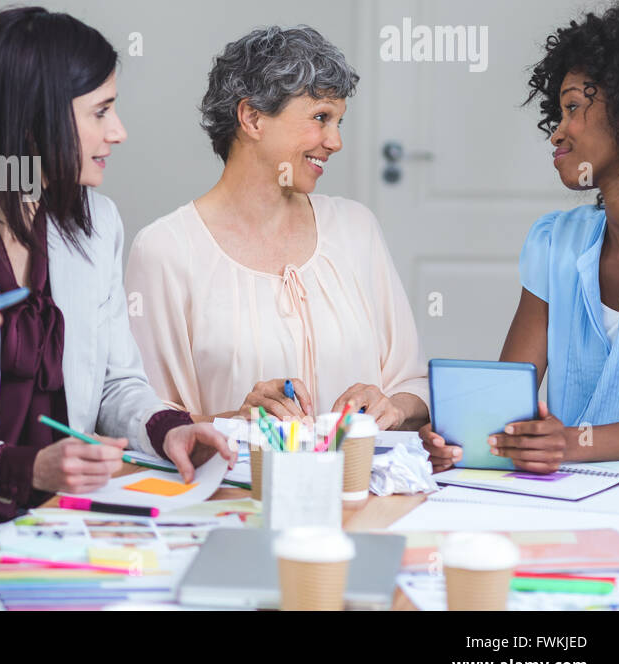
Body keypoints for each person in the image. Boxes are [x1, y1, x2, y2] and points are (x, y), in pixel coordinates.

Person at [0, 8, 235, 544]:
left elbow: (117, 383)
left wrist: (170, 428)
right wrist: (24, 469)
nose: (118, 132)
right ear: (33, 120)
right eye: (101, 112)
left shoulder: (97, 225)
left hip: (65, 523)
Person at [125, 25, 429, 429]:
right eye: (321, 118)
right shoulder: (165, 250)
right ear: (252, 117)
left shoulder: (357, 229)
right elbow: (142, 417)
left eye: (338, 121)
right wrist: (238, 420)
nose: (335, 141)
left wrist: (392, 405)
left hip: (359, 489)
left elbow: (414, 386)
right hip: (235, 491)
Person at [424, 2, 619, 473]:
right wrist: (458, 435)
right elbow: (506, 404)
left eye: (575, 108)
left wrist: (571, 443)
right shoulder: (555, 243)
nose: (557, 131)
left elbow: (565, 442)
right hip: (563, 499)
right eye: (558, 111)